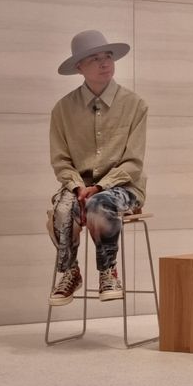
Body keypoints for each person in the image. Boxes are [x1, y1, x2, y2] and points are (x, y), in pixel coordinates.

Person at [47, 30, 149, 306]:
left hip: (124, 186)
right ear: (79, 67)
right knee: (62, 208)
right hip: (78, 185)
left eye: (108, 56)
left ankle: (108, 272)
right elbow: (61, 160)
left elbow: (133, 161)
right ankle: (70, 272)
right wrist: (77, 186)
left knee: (99, 203)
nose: (105, 63)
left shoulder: (135, 105)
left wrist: (100, 186)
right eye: (94, 58)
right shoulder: (63, 110)